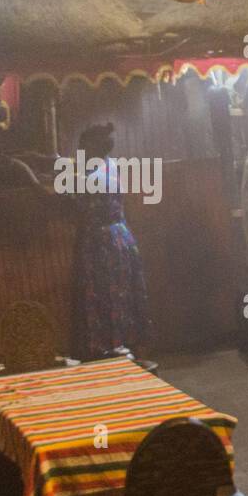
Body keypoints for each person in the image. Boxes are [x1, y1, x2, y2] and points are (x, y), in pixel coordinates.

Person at [71, 123, 151, 358]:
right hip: (121, 237)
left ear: (92, 147)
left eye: (83, 146)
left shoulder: (92, 175)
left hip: (101, 242)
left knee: (105, 295)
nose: (80, 151)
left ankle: (110, 349)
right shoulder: (110, 165)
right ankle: (124, 344)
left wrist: (32, 180)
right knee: (121, 294)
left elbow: (69, 204)